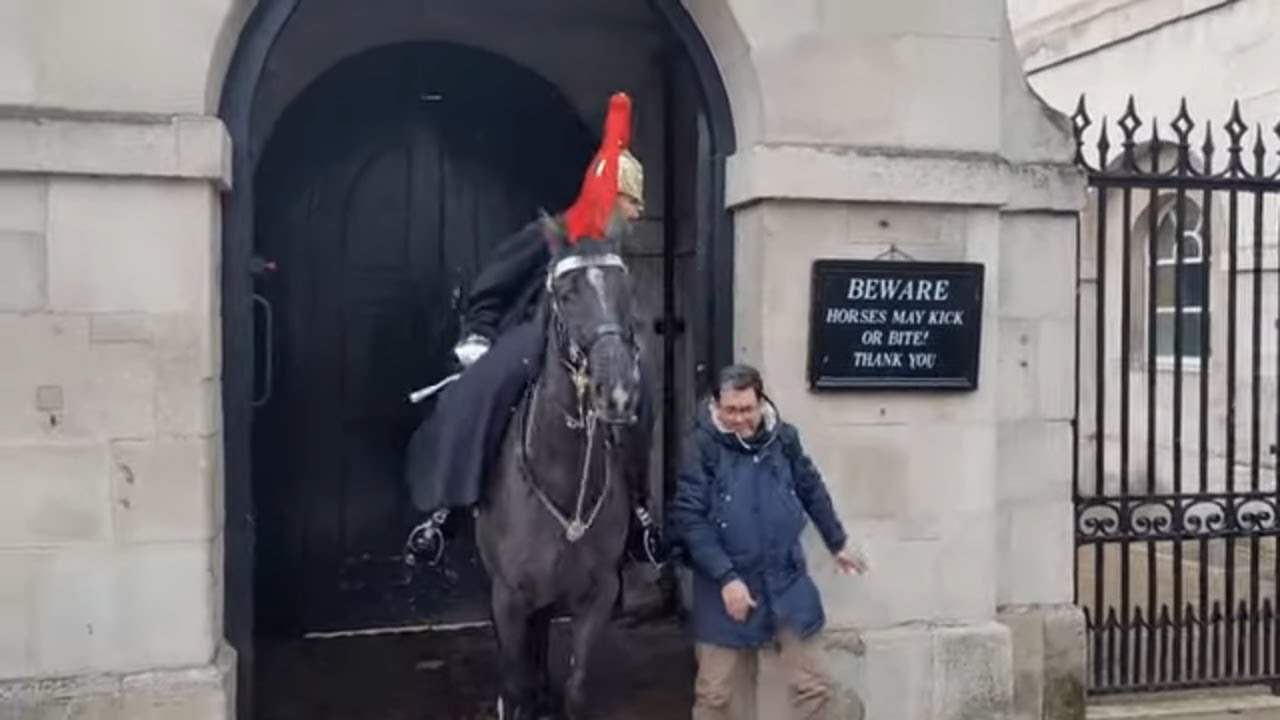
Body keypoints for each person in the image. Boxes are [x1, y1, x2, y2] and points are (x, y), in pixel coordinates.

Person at [403, 92, 663, 566]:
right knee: (481, 391)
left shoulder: (610, 248)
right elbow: (492, 283)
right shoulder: (552, 233)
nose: (638, 210)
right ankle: (446, 511)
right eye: (631, 199)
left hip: (599, 343)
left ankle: (639, 512)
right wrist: (479, 334)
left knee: (642, 396)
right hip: (535, 335)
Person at [670, 364, 868, 720]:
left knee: (815, 687)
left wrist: (837, 543)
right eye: (730, 411)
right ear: (716, 406)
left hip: (785, 578)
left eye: (747, 409)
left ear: (760, 402)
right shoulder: (700, 447)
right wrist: (726, 577)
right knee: (715, 696)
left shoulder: (784, 438)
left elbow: (811, 487)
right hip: (723, 586)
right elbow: (689, 519)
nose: (740, 419)